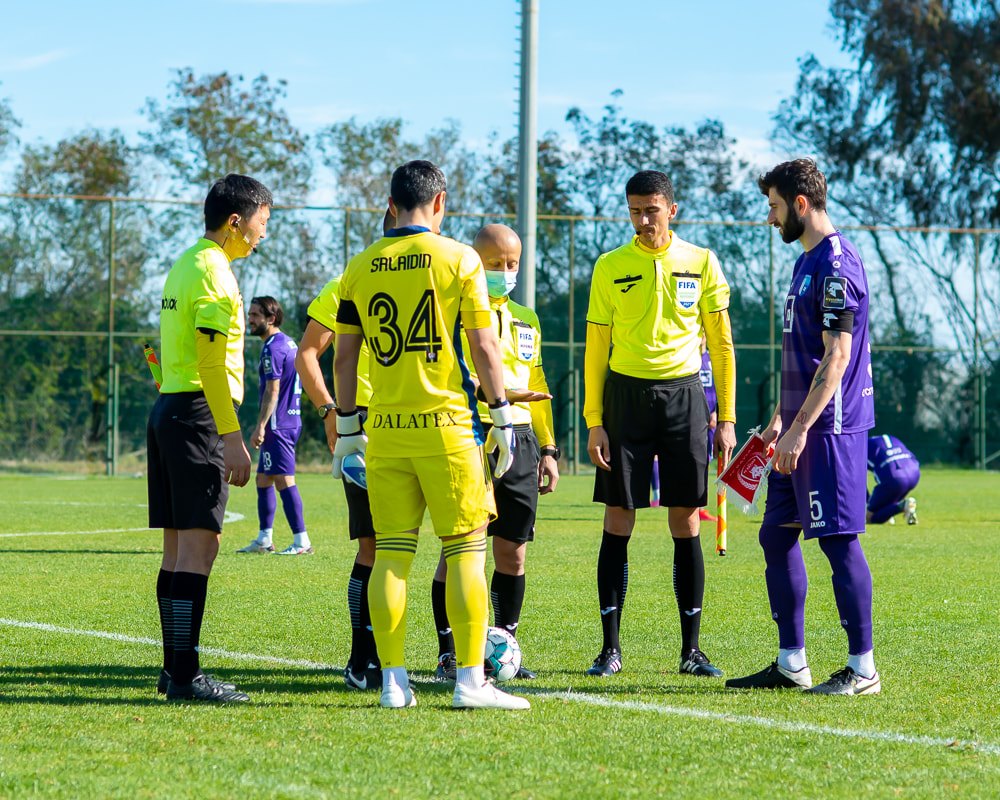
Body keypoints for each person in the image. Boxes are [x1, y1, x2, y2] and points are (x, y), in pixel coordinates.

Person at [333, 160, 531, 710]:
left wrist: (349, 428)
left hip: (386, 433)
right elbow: (485, 347)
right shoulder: (459, 258)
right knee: (467, 553)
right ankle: (472, 682)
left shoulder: (362, 263)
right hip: (448, 430)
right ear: (440, 202)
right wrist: (502, 415)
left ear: (391, 203)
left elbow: (346, 355)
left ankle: (394, 684)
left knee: (392, 556)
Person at [726, 158, 880, 696]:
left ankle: (863, 670)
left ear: (800, 203)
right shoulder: (804, 262)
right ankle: (792, 662)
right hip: (797, 428)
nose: (770, 218)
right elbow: (802, 354)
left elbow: (836, 358)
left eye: (773, 206)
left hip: (830, 429)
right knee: (775, 535)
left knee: (838, 542)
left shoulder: (838, 265)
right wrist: (776, 423)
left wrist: (799, 431)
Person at [583, 169, 737, 678]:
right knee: (617, 521)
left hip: (685, 399)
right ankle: (610, 650)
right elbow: (596, 349)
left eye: (651, 209)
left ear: (672, 210)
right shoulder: (610, 266)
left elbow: (722, 346)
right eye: (634, 211)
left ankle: (691, 652)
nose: (643, 220)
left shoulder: (702, 261)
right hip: (624, 398)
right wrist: (594, 420)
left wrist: (727, 418)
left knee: (686, 521)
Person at [147, 173, 272, 703]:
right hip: (198, 414)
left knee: (178, 549)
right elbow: (209, 361)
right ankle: (185, 677)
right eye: (263, 222)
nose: (265, 233)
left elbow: (168, 351)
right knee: (201, 546)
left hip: (169, 410)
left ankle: (173, 668)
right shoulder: (217, 275)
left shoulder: (184, 263)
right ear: (237, 221)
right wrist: (232, 436)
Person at [431, 223, 559, 682]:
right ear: (473, 263)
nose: (504, 272)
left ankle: (502, 646)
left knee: (514, 553)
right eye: (494, 265)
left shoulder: (527, 317)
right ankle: (450, 653)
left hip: (523, 440)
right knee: (461, 548)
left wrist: (548, 447)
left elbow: (538, 384)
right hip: (474, 433)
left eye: (512, 264)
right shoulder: (455, 311)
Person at [294, 210, 392, 692]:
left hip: (425, 423)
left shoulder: (437, 272)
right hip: (367, 426)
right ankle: (362, 659)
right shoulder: (348, 281)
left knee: (446, 542)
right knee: (374, 545)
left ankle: (447, 654)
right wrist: (331, 411)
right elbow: (307, 352)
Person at [237, 296, 311, 555]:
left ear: (271, 318)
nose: (251, 319)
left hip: (279, 424)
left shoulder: (272, 348)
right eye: (250, 313)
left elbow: (273, 389)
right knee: (263, 479)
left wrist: (261, 425)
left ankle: (302, 542)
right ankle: (264, 539)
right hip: (289, 420)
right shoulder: (288, 343)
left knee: (283, 479)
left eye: (256, 315)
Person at [866, 434, 919, 525]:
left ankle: (903, 506)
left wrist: (868, 503)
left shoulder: (860, 448)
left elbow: (859, 481)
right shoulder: (891, 438)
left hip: (894, 478)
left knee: (869, 517)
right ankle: (892, 511)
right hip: (914, 473)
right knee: (890, 496)